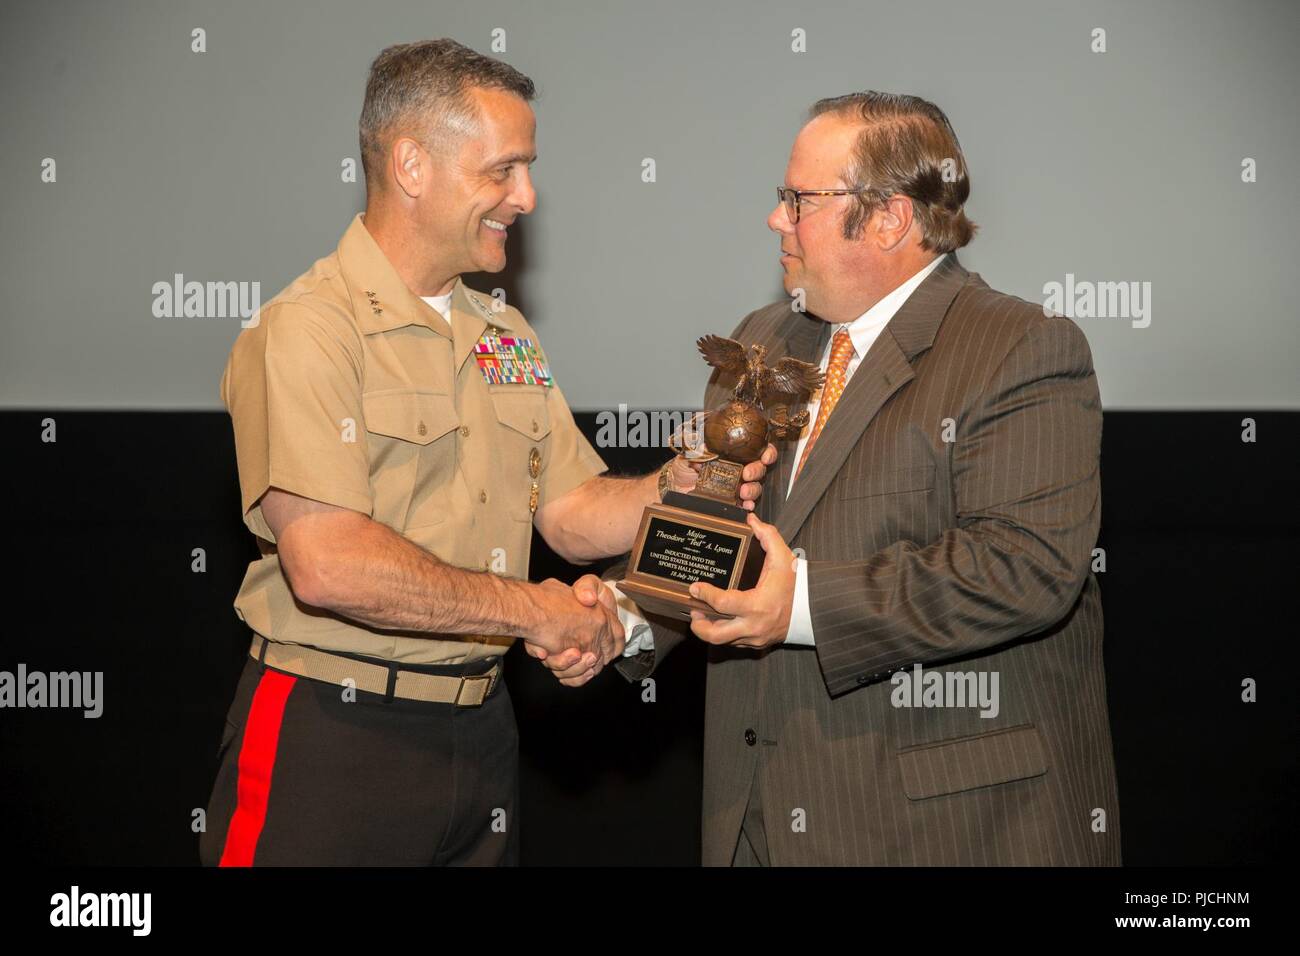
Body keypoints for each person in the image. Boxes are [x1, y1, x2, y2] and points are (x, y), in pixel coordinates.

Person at [199, 38, 772, 867]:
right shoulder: (308, 329)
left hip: (481, 732)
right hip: (334, 729)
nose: (528, 196)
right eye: (503, 170)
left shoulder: (503, 332)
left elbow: (572, 514)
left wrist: (673, 486)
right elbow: (328, 564)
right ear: (412, 166)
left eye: (528, 169)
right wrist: (534, 610)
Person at [554, 91, 1122, 865]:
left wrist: (802, 603)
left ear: (888, 217)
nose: (775, 220)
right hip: (755, 817)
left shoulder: (1020, 345)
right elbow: (722, 540)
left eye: (798, 200)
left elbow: (1026, 568)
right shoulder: (763, 340)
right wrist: (624, 616)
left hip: (947, 831)